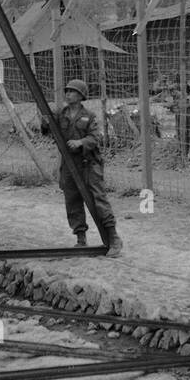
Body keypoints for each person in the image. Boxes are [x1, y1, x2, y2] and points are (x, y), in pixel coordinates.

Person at [40, 78, 123, 256]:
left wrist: (80, 142)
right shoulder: (59, 114)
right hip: (69, 164)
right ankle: (81, 239)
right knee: (72, 200)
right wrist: (45, 122)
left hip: (89, 163)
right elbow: (47, 131)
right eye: (67, 91)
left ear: (80, 96)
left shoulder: (90, 116)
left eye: (72, 91)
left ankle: (114, 238)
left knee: (98, 199)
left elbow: (96, 138)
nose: (68, 94)